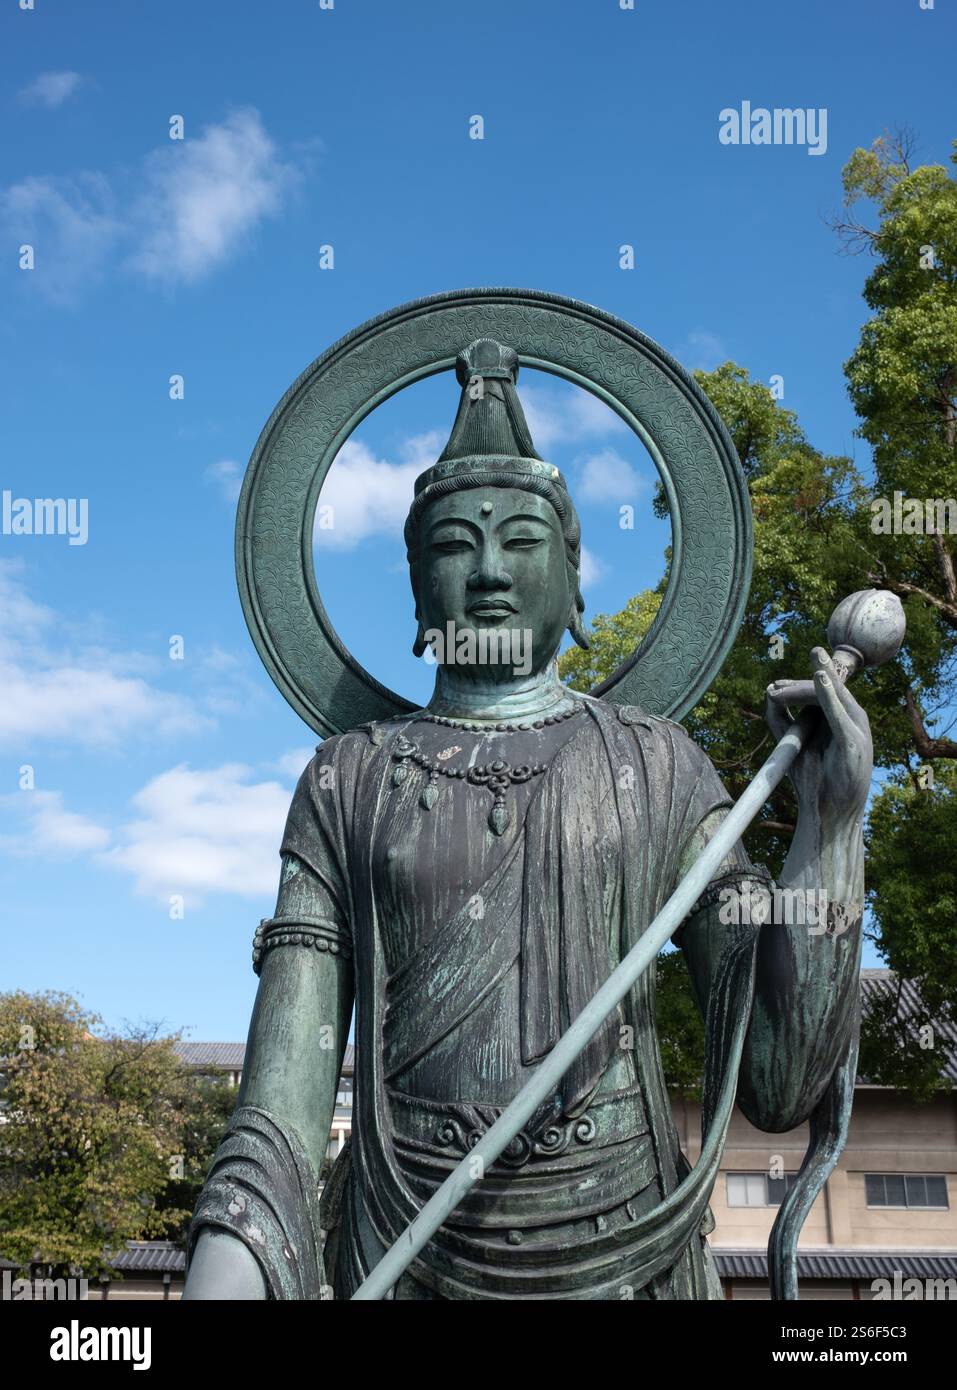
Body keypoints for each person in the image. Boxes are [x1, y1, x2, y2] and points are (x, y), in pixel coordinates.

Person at [184, 339, 870, 1300]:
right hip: (401, 1237)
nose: (490, 573)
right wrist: (233, 1248)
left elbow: (775, 1081)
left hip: (626, 1240)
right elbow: (285, 1105)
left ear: (576, 577)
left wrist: (830, 829)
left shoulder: (657, 767)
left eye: (522, 542)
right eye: (454, 546)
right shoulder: (349, 777)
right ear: (417, 585)